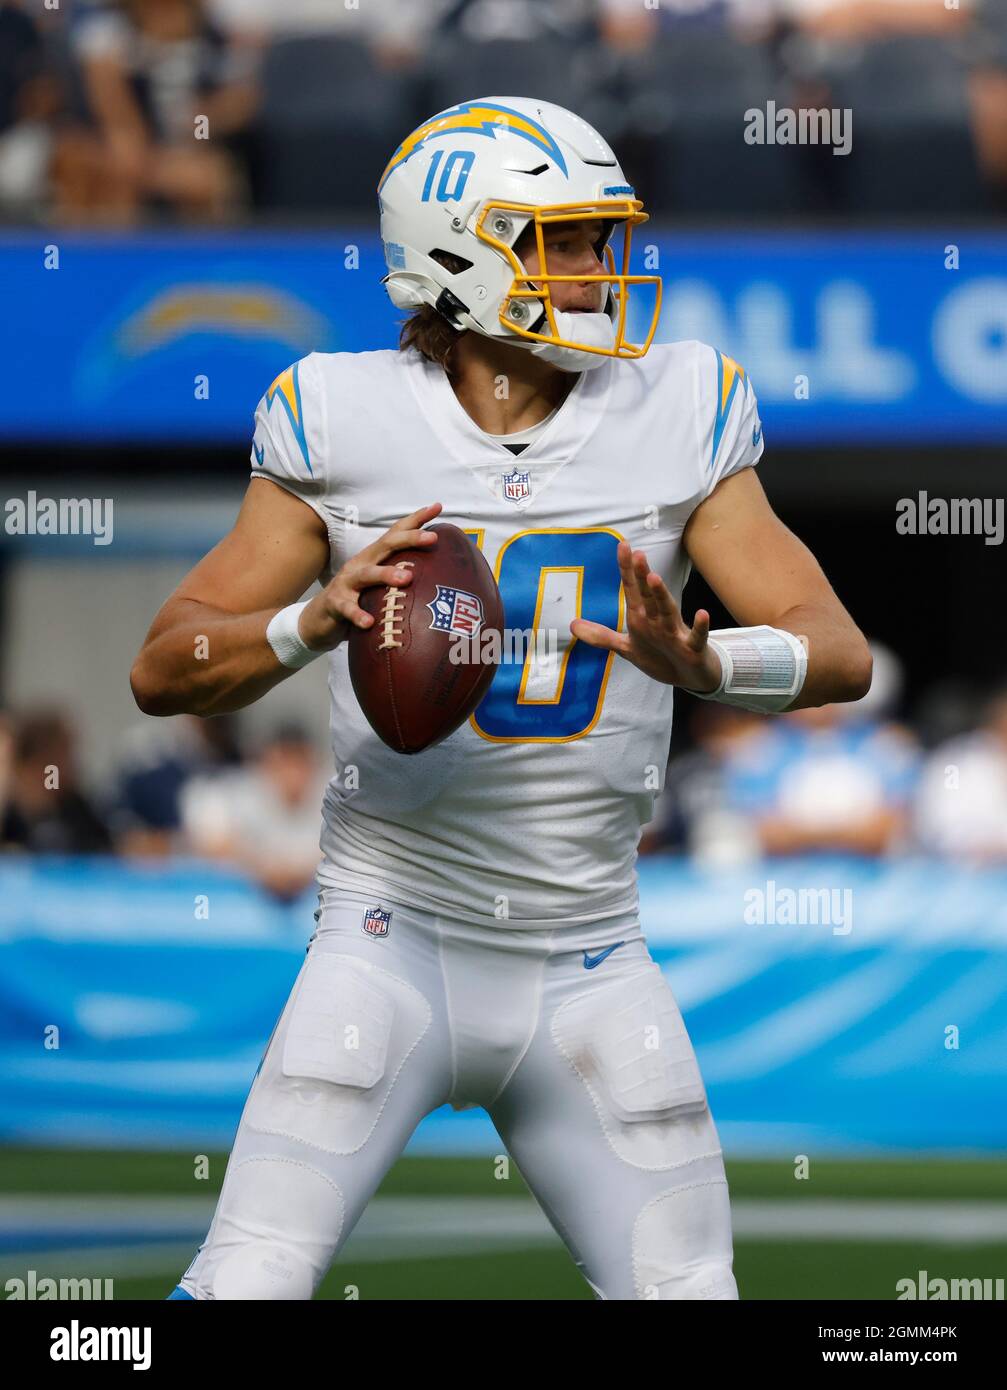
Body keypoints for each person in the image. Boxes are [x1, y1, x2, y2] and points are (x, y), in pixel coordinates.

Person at [130, 96, 871, 1301]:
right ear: (456, 250)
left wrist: (706, 664)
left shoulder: (680, 406)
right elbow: (164, 666)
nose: (593, 272)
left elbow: (835, 652)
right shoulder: (340, 413)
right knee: (247, 1283)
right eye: (561, 242)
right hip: (385, 935)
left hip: (593, 952)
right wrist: (304, 622)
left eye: (597, 240)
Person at [180, 723, 327, 900]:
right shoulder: (242, 792)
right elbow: (212, 841)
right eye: (284, 763)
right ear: (268, 762)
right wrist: (259, 867)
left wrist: (302, 872)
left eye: (299, 764)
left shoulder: (332, 796)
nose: (292, 775)